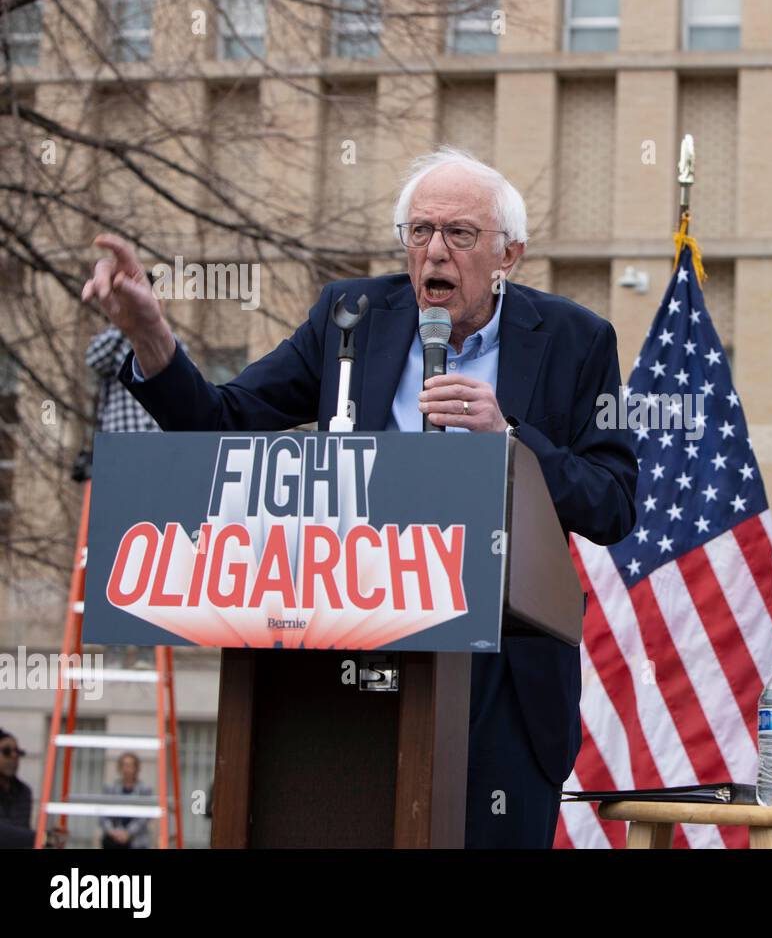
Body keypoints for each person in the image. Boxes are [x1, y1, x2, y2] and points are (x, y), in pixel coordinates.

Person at [80, 145, 638, 848]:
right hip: (349, 660)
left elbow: (614, 502)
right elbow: (218, 422)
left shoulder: (574, 340)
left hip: (502, 680)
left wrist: (510, 440)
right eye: (420, 232)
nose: (435, 251)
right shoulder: (350, 316)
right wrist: (153, 337)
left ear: (509, 255)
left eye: (460, 235)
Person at [99, 752, 151, 849]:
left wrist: (128, 833)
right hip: (113, 839)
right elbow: (103, 814)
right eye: (124, 765)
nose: (127, 769)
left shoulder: (145, 789)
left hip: (136, 839)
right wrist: (112, 832)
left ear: (136, 768)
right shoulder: (111, 788)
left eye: (130, 765)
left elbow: (144, 817)